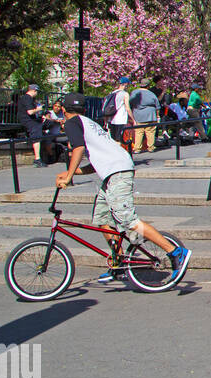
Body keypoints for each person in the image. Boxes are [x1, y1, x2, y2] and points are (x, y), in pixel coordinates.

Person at [55, 93, 190, 284]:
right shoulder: (87, 121)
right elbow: (100, 158)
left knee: (128, 220)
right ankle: (118, 264)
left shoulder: (72, 122)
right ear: (84, 109)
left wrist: (68, 176)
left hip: (118, 171)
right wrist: (75, 172)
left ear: (63, 110)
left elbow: (77, 148)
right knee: (103, 219)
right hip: (114, 169)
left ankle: (175, 252)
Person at [17, 83, 45, 167]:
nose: (37, 94)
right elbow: (30, 112)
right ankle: (37, 159)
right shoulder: (27, 98)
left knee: (49, 124)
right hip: (28, 121)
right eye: (37, 92)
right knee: (36, 134)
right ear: (34, 90)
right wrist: (39, 109)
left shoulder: (26, 98)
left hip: (29, 120)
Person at [129, 84, 159, 153]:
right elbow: (157, 106)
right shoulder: (151, 94)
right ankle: (151, 147)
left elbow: (130, 104)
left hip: (138, 115)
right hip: (150, 115)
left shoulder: (134, 93)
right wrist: (157, 116)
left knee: (139, 132)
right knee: (150, 132)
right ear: (148, 86)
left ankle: (137, 148)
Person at [107, 77, 133, 147]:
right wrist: (133, 119)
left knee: (113, 139)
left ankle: (113, 153)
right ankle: (118, 154)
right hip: (120, 119)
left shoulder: (112, 93)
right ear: (125, 84)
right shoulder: (125, 94)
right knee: (119, 139)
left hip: (111, 119)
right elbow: (127, 108)